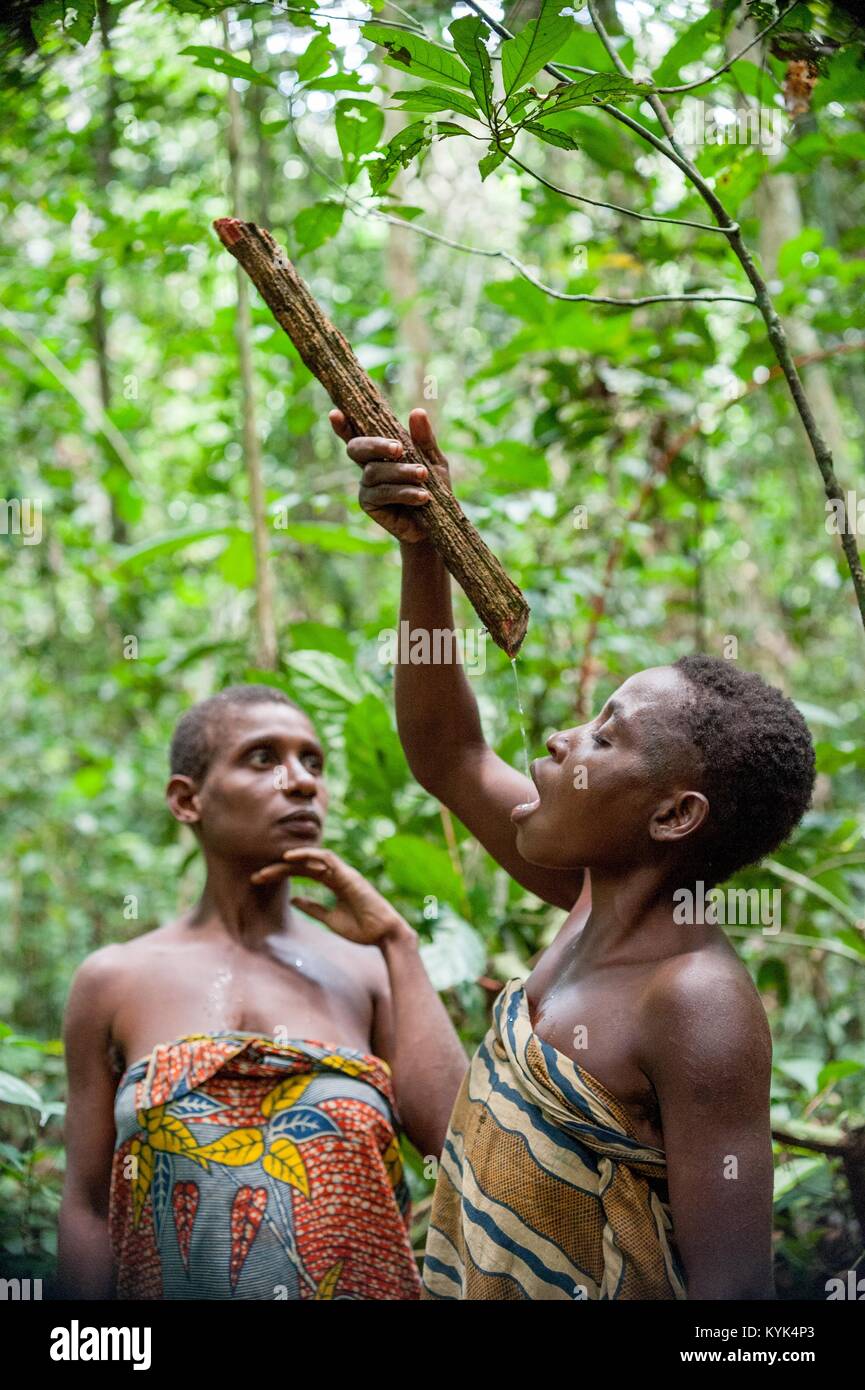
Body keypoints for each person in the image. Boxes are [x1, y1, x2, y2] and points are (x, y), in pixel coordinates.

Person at [329, 405, 816, 1301]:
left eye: (604, 736)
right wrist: (422, 550)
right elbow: (449, 755)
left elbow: (735, 1306)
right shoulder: (596, 890)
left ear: (673, 815)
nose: (559, 740)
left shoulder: (698, 1003)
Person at [57, 684, 467, 1300]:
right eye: (262, 758)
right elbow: (87, 1208)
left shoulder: (369, 972)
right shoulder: (113, 980)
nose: (301, 782)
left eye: (314, 763)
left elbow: (461, 1154)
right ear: (186, 800)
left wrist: (399, 943)